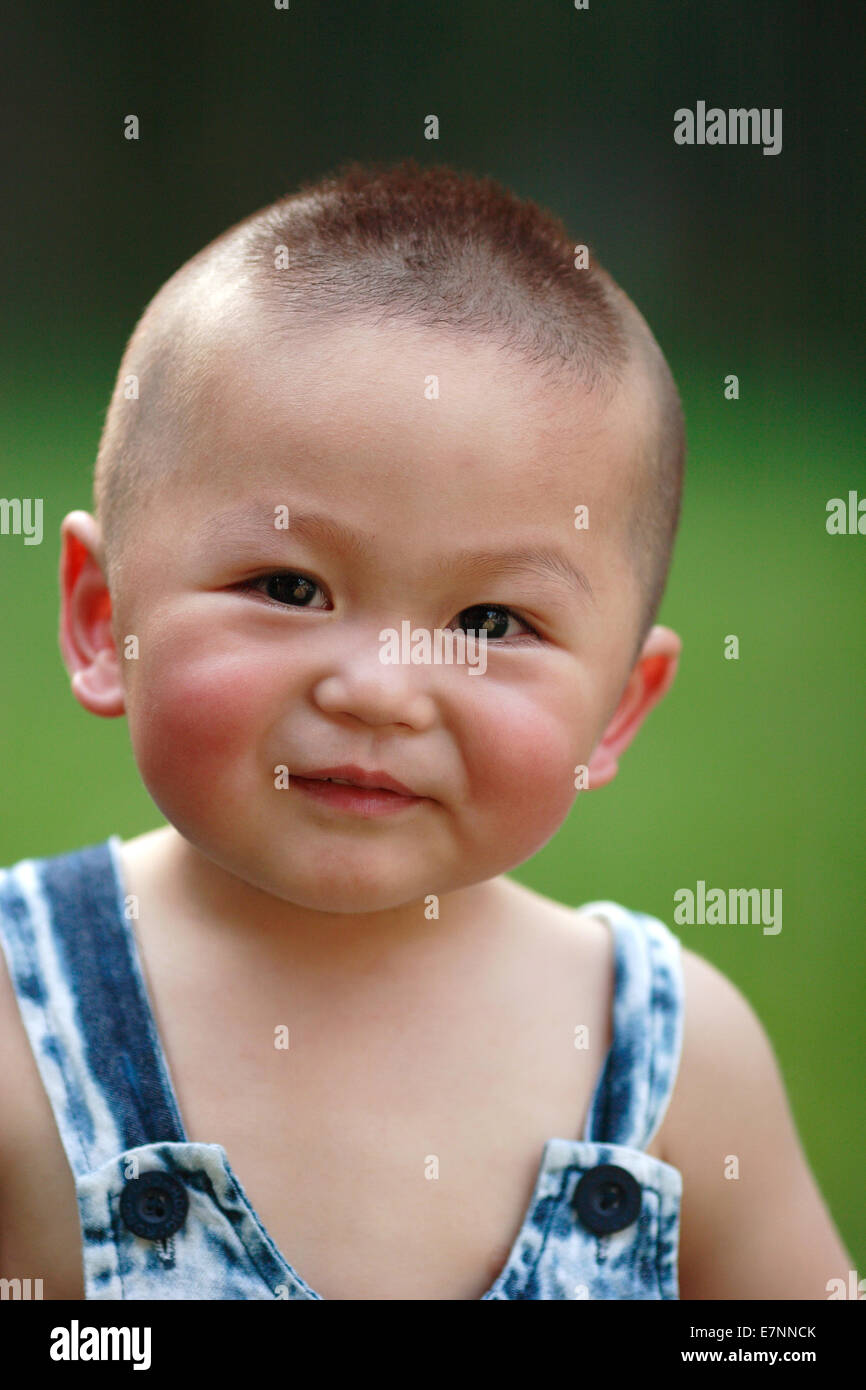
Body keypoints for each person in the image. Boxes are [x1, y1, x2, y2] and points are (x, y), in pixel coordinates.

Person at [0, 160, 852, 1299]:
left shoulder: (676, 1055)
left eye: (490, 620)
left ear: (615, 710)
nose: (381, 690)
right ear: (104, 620)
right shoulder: (21, 1017)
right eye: (288, 586)